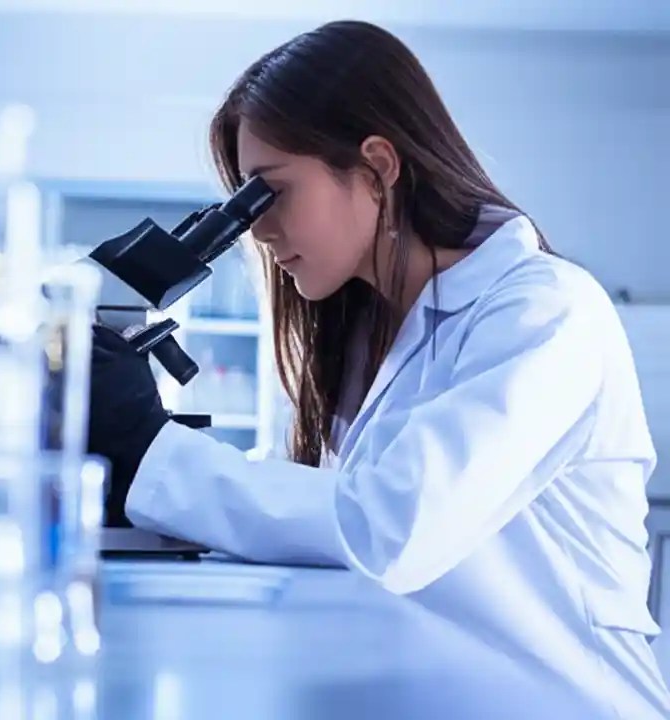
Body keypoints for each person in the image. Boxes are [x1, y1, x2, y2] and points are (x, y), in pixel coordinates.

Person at [86, 19, 670, 718]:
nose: (259, 232)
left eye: (269, 193)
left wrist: (148, 444)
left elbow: (389, 528)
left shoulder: (543, 311)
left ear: (377, 167)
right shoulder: (369, 334)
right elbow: (311, 518)